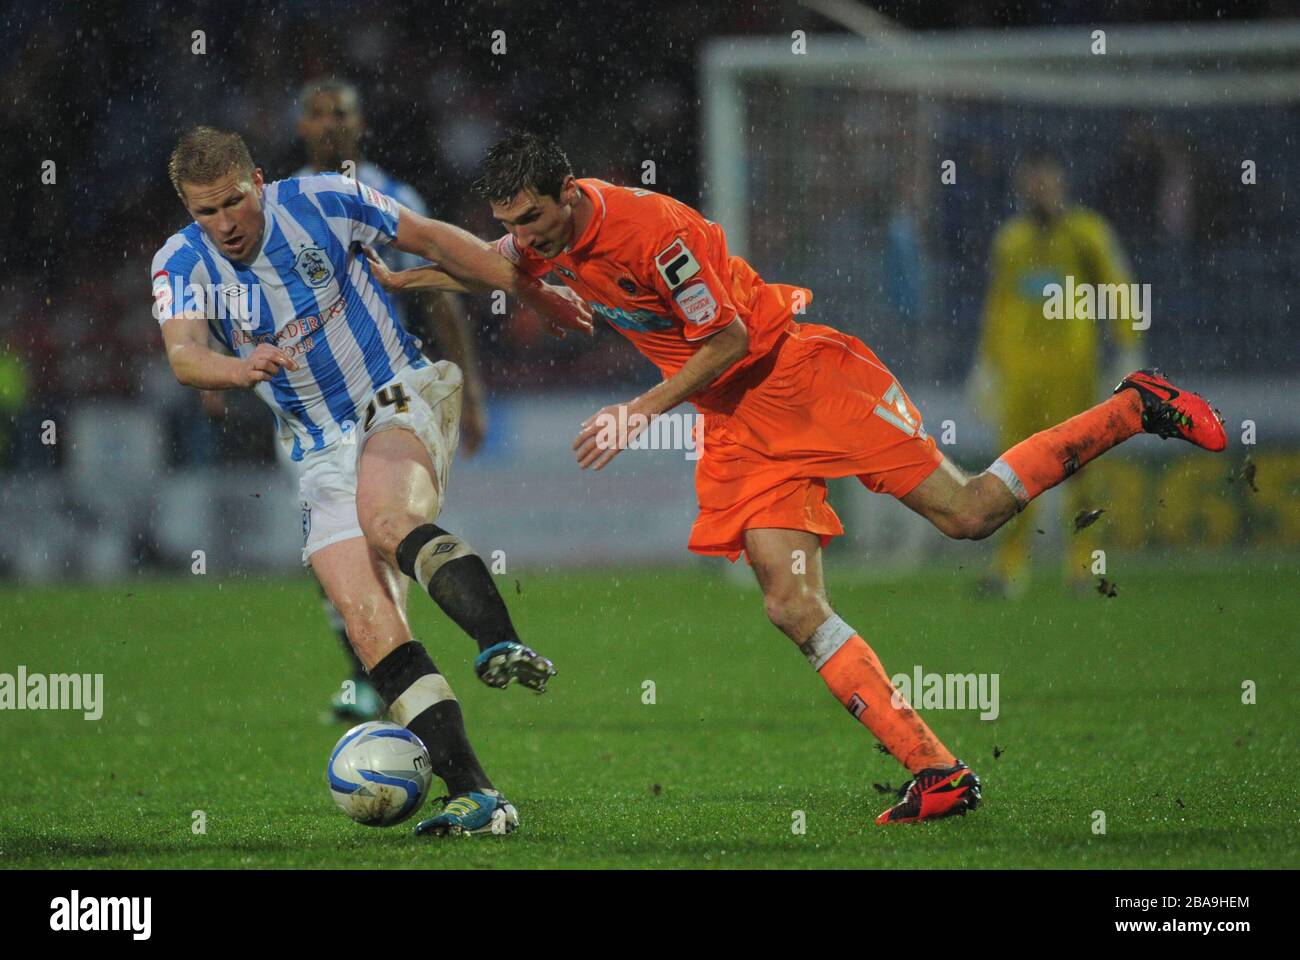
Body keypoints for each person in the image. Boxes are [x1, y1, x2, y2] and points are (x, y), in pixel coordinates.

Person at [368, 131, 1226, 825]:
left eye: (533, 219)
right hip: (739, 425)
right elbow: (494, 262)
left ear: (567, 193)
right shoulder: (543, 236)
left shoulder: (653, 230)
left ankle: (1131, 407)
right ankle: (937, 771)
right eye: (512, 224)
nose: (526, 238)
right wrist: (407, 275)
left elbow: (729, 339)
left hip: (799, 376)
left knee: (967, 514)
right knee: (788, 602)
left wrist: (640, 410)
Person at [151, 126, 591, 836]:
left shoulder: (326, 199)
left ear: (258, 181)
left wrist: (531, 292)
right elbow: (183, 354)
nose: (225, 222)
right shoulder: (179, 263)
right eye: (206, 211)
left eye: (234, 201)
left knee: (386, 520)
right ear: (188, 209)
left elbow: (436, 240)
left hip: (396, 389)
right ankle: (477, 796)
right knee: (365, 622)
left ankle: (498, 641)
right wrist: (238, 368)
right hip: (316, 447)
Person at [206, 78, 492, 723]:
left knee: (386, 530)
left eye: (341, 112)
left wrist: (470, 391)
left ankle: (393, 673)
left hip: (381, 391)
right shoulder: (270, 207)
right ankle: (369, 673)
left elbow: (436, 295)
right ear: (300, 127)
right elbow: (229, 290)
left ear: (361, 125)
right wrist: (219, 370)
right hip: (303, 407)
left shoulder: (392, 197)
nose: (329, 122)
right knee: (332, 548)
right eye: (316, 113)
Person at [972, 152, 1145, 595]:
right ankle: (1009, 568)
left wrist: (1127, 345)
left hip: (1073, 374)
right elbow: (998, 305)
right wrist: (986, 365)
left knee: (1082, 470)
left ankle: (1083, 564)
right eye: (1032, 183)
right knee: (1012, 471)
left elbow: (1118, 288)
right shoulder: (1011, 241)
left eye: (1046, 182)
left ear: (1061, 184)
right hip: (1021, 377)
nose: (1040, 191)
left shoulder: (1087, 234)